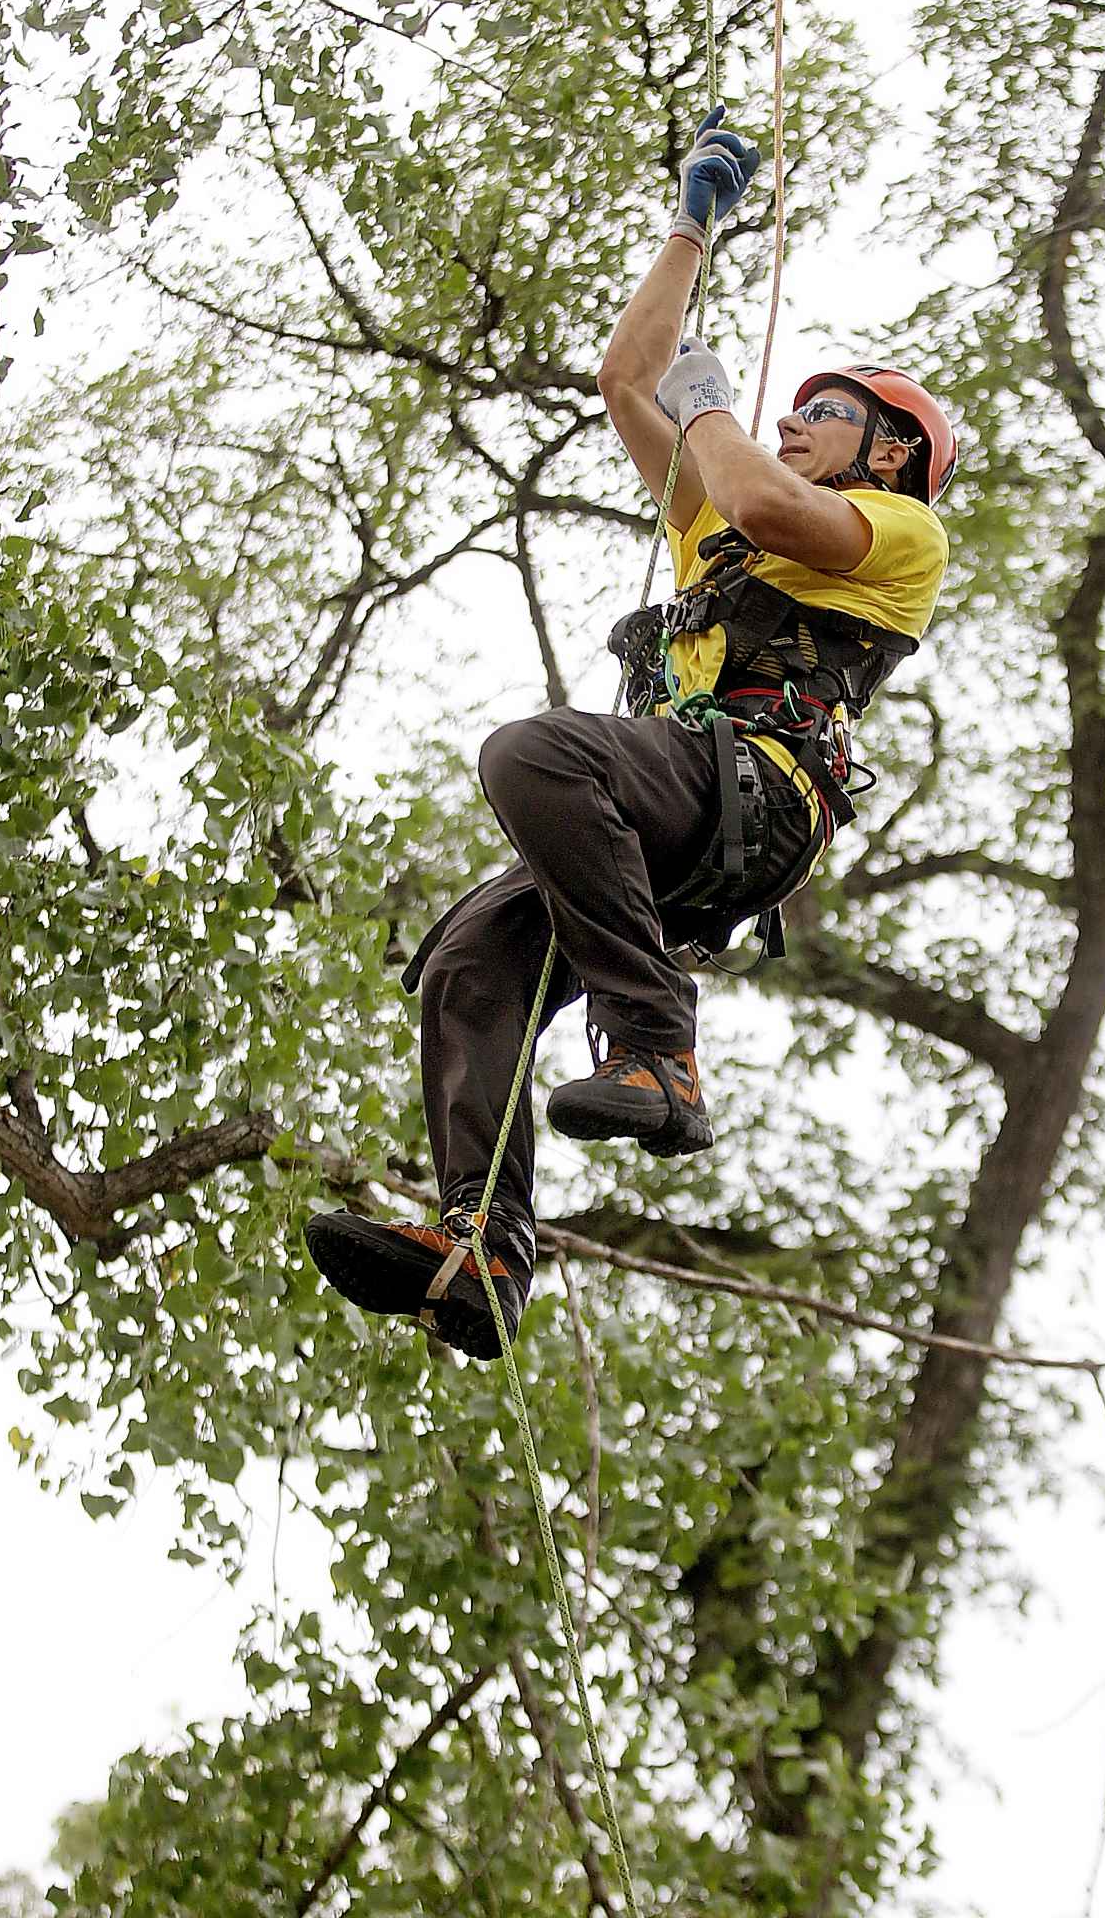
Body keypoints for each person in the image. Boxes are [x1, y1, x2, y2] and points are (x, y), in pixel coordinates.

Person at [305, 107, 956, 1360]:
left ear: (887, 453)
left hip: (756, 791)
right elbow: (624, 378)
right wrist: (690, 225)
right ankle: (483, 1248)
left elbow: (753, 484)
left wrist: (711, 406)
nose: (794, 420)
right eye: (796, 404)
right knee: (470, 963)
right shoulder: (720, 528)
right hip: (670, 808)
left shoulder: (900, 536)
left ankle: (657, 1048)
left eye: (824, 411)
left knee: (531, 751)